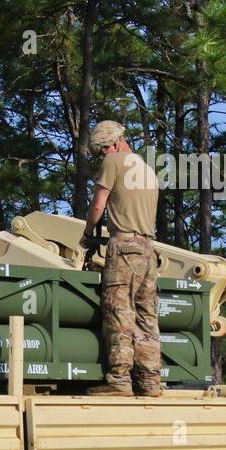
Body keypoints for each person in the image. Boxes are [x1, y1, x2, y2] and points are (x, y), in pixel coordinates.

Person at [80, 120, 162, 397]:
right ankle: (150, 382)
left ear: (113, 143)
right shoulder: (147, 169)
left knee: (119, 313)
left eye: (103, 150)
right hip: (148, 249)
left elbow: (99, 204)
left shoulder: (114, 162)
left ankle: (118, 380)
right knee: (147, 317)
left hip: (124, 245)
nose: (103, 156)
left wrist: (88, 232)